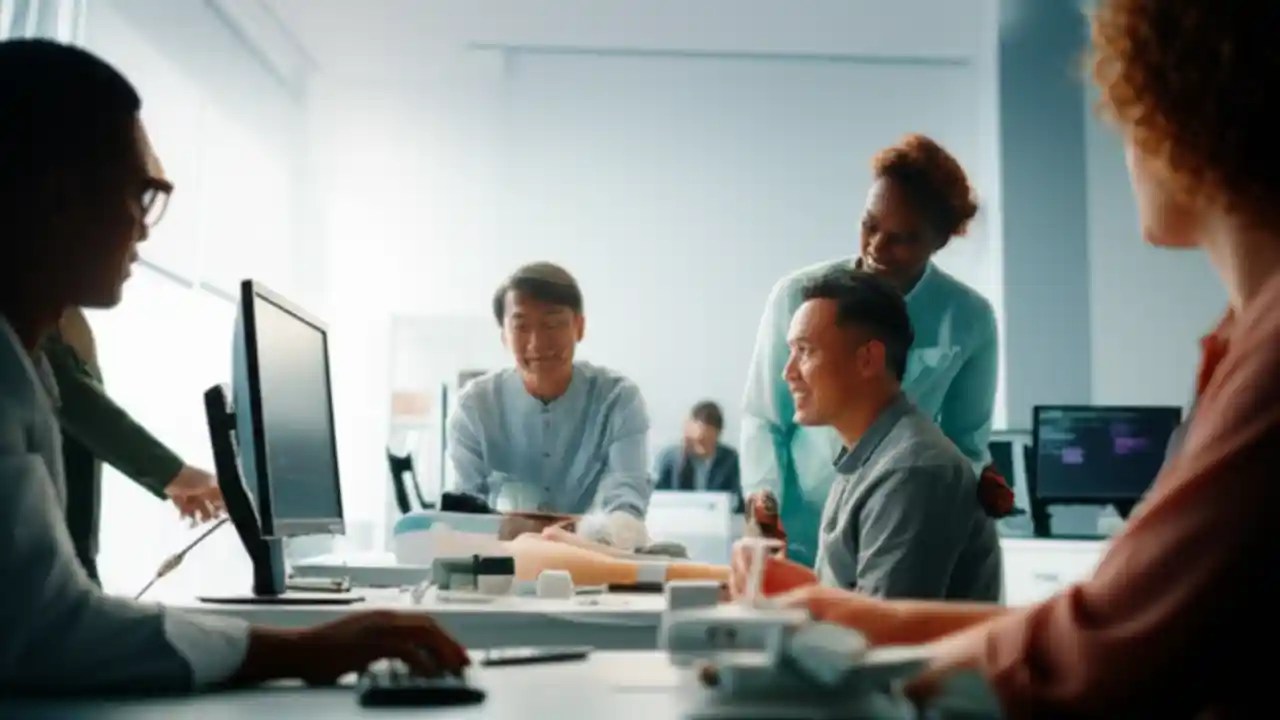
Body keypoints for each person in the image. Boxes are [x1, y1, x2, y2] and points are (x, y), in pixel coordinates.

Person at [763, 3, 1280, 716]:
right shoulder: (1243, 342)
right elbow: (1106, 621)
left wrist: (828, 624)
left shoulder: (1267, 359)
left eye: (1125, 116)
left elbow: (1098, 648)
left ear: (1179, 120)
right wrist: (830, 613)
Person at [0, 39, 465, 692]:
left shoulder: (29, 364)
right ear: (54, 192)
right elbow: (46, 631)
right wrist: (301, 652)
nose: (145, 227)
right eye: (143, 191)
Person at [741, 134, 1001, 565]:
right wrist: (763, 499)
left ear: (938, 242)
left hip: (902, 522)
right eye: (869, 225)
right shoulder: (798, 297)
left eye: (903, 238)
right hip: (800, 529)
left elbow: (965, 443)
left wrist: (970, 489)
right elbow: (765, 415)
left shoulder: (969, 318)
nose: (877, 247)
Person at [730, 270, 1000, 600]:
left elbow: (880, 633)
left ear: (867, 359)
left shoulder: (911, 472)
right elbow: (852, 602)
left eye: (805, 351)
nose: (788, 373)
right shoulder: (867, 457)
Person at [447, 262, 652, 548]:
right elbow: (464, 511)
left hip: (593, 560)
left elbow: (626, 503)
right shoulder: (474, 407)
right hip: (498, 565)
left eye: (552, 324)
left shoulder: (618, 400)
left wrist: (584, 537)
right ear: (504, 335)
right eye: (521, 327)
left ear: (579, 327)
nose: (537, 342)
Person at [45, 306, 225, 584]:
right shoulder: (22, 316)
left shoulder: (64, 320)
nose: (134, 258)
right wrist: (175, 474)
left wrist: (174, 477)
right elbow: (69, 395)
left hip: (64, 563)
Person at [653, 400, 743, 512]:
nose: (701, 447)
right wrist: (683, 457)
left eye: (707, 440)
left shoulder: (730, 460)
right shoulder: (670, 459)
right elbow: (657, 498)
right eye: (699, 440)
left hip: (716, 521)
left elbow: (738, 500)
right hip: (677, 520)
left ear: (718, 435)